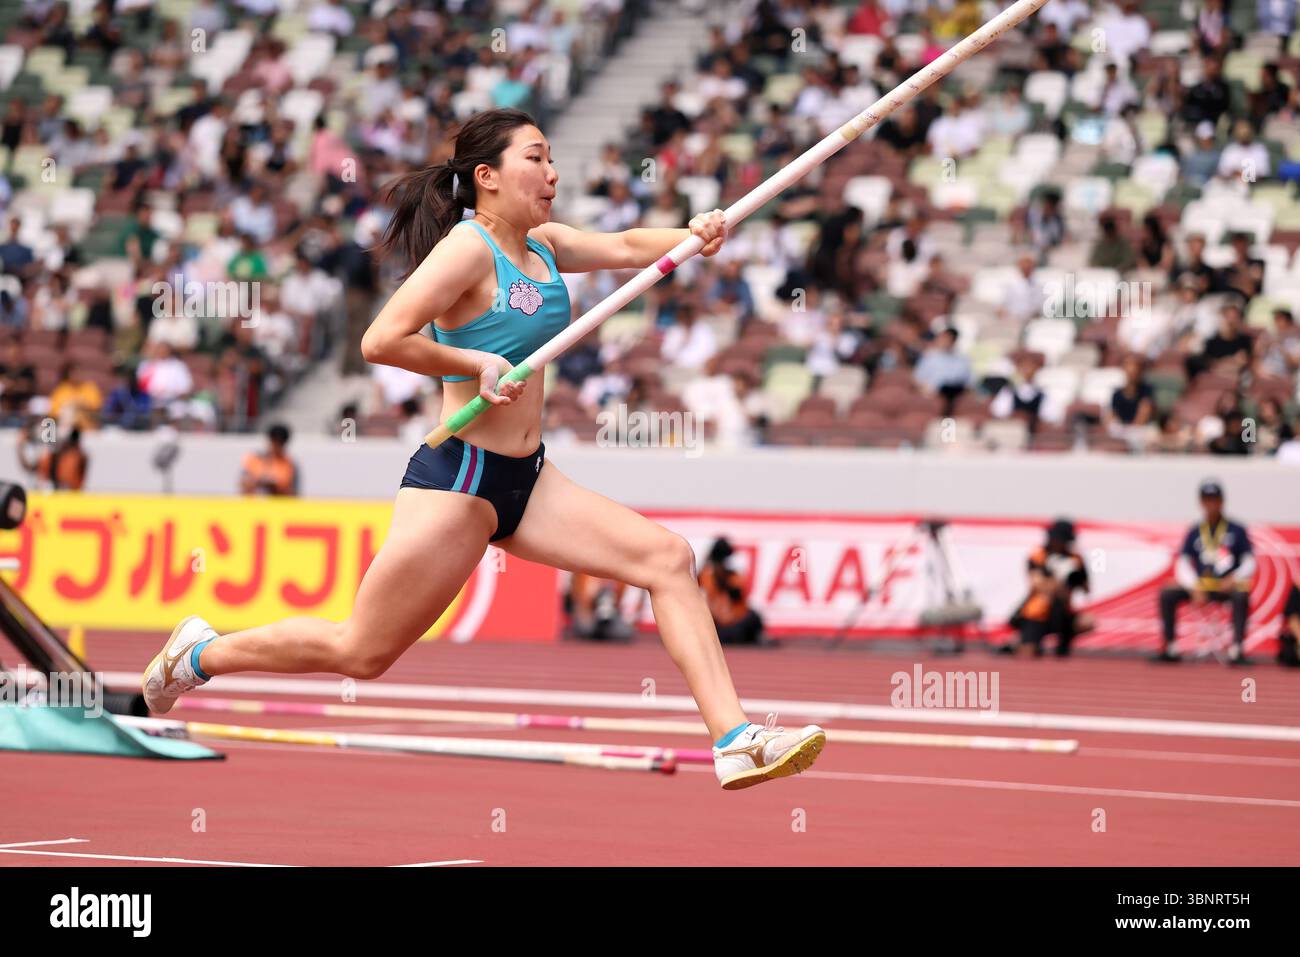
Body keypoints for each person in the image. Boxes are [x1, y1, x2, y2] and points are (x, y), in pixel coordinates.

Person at [142, 108, 825, 791]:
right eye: (536, 158)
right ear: (488, 176)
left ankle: (734, 739)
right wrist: (470, 361)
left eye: (552, 158)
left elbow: (622, 245)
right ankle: (200, 654)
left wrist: (696, 232)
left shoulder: (547, 246)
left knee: (667, 558)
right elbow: (382, 339)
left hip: (527, 481)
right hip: (458, 483)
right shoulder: (468, 250)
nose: (552, 173)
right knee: (361, 650)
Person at [1153, 479, 1255, 663]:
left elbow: (1249, 562)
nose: (1211, 504)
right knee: (1167, 594)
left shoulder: (1236, 530)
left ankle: (1237, 649)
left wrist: (1234, 578)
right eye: (1207, 500)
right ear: (1201, 502)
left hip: (1225, 586)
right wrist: (1193, 586)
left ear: (1222, 501)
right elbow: (1182, 563)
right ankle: (1170, 647)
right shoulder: (1195, 531)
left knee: (1241, 595)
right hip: (1200, 586)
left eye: (1214, 499)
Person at [1000, 519, 1092, 657]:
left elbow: (1086, 588)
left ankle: (1063, 642)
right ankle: (1016, 644)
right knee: (1028, 653)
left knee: (1087, 621)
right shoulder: (1039, 555)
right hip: (1038, 612)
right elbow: (1037, 585)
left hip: (1063, 611)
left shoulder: (1075, 559)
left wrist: (1075, 577)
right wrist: (1059, 577)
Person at [698, 538, 765, 646]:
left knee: (754, 616)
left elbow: (738, 598)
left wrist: (724, 582)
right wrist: (706, 562)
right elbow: (690, 583)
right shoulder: (706, 576)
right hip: (719, 625)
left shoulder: (734, 577)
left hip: (735, 621)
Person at [238, 422, 298, 496]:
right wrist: (258, 483)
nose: (276, 446)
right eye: (274, 441)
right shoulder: (254, 459)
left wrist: (276, 487)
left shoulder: (289, 464)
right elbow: (243, 485)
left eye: (280, 442)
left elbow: (293, 493)